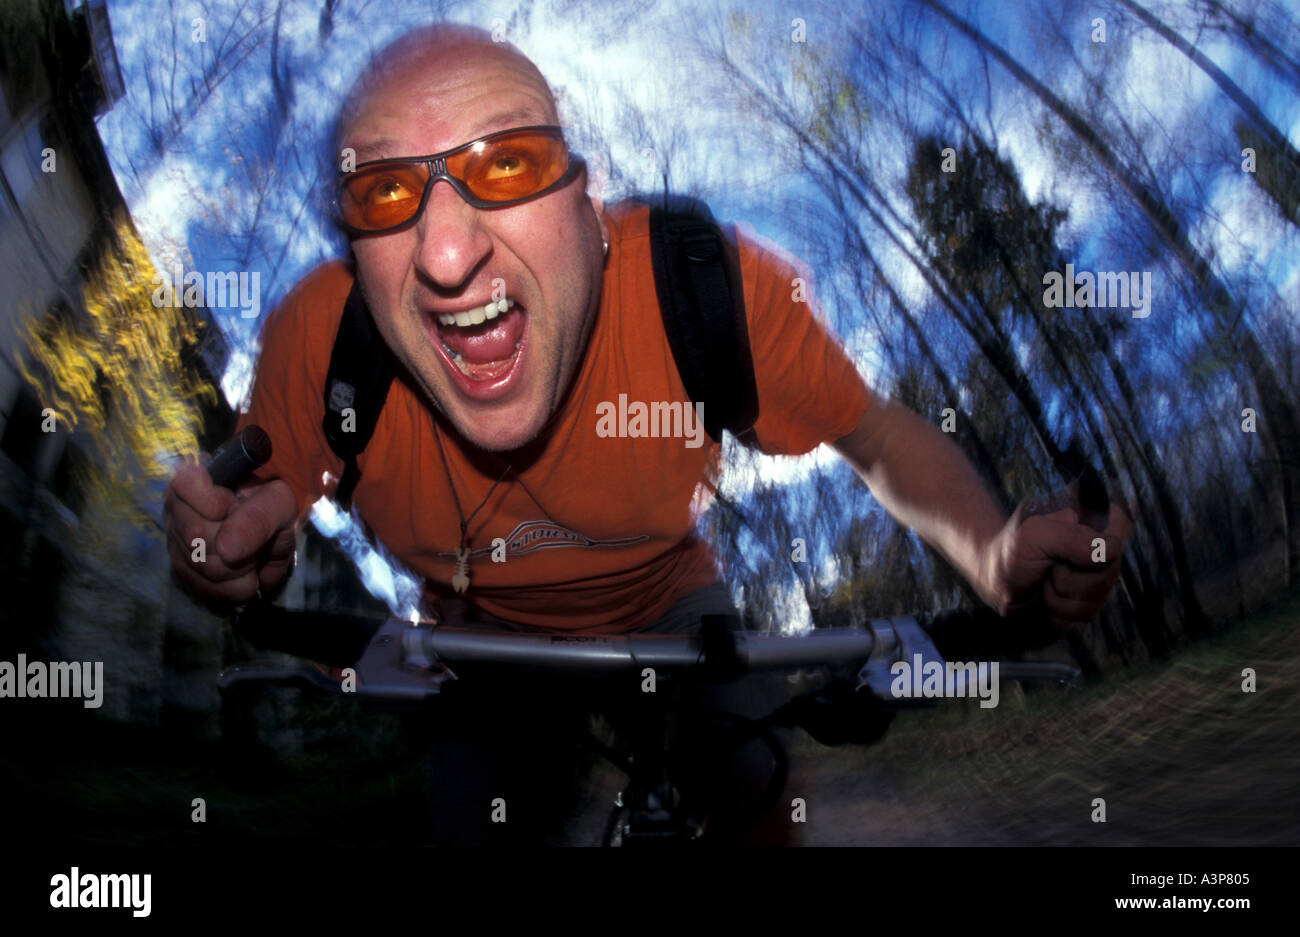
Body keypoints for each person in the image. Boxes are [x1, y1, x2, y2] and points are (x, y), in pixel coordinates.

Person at [164, 24, 1133, 844]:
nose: (448, 251)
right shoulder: (322, 336)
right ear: (355, 250)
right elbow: (257, 516)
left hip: (672, 602)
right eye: (382, 193)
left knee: (756, 789)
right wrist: (228, 553)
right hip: (483, 644)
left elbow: (871, 432)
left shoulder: (704, 288)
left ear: (591, 216)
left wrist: (994, 548)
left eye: (509, 162)